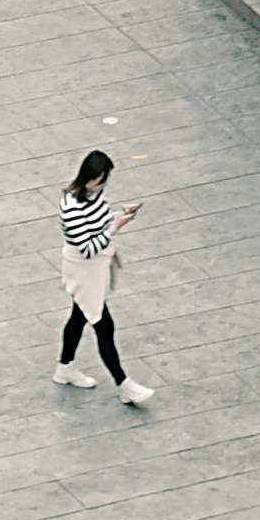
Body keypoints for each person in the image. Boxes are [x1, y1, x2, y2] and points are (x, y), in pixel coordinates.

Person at [56, 148, 149, 406]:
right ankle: (124, 384)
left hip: (96, 267)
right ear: (88, 177)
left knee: (79, 316)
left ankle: (64, 368)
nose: (103, 186)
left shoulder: (93, 195)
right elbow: (86, 248)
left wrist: (116, 216)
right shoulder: (71, 207)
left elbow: (98, 224)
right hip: (84, 269)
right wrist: (116, 227)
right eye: (100, 180)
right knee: (102, 325)